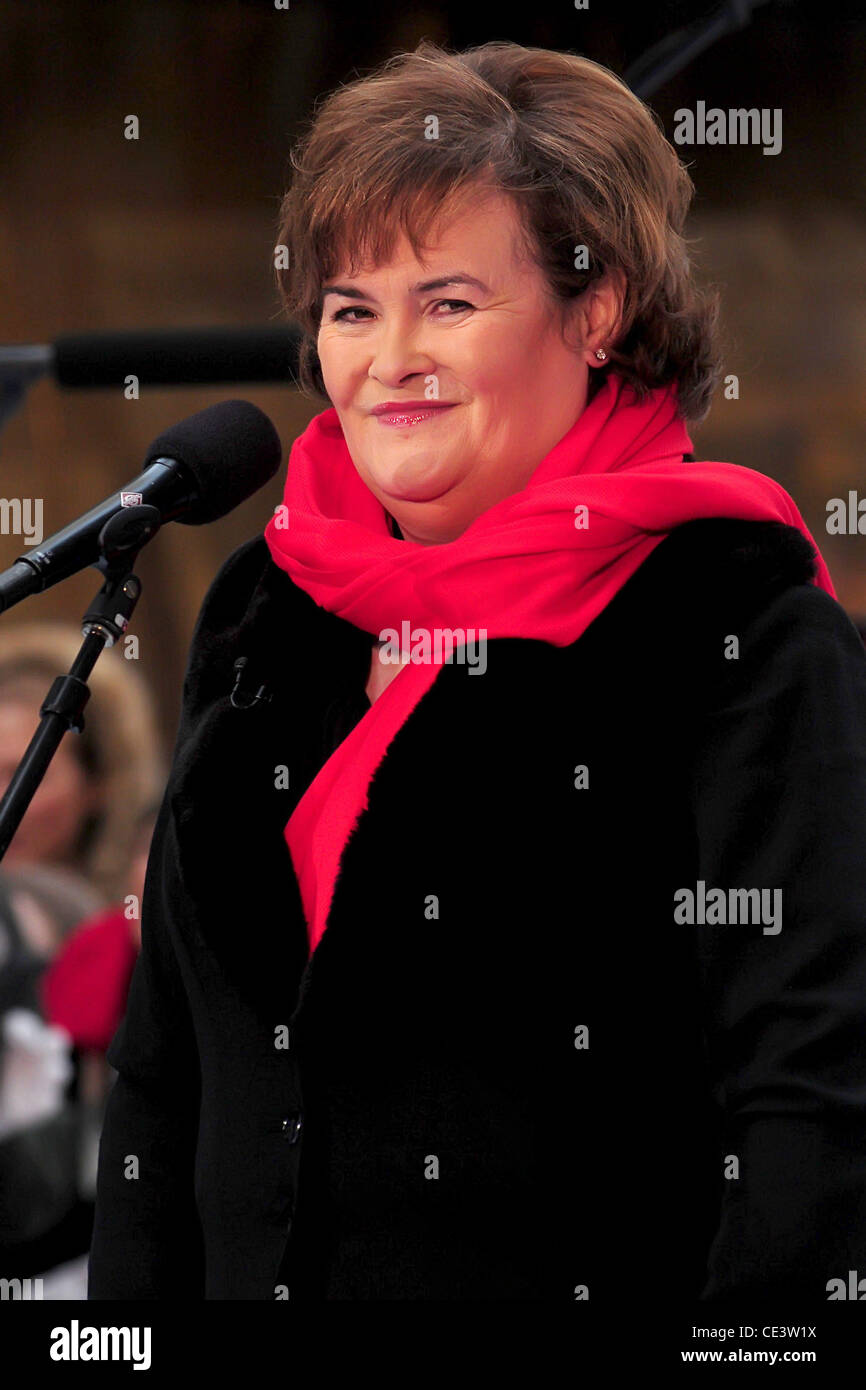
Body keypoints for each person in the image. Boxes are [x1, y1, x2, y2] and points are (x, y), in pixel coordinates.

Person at [88, 39, 866, 1303]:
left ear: (596, 306)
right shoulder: (265, 608)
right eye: (350, 308)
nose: (387, 357)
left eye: (446, 301)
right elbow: (164, 1071)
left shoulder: (736, 627)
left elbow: (816, 1102)